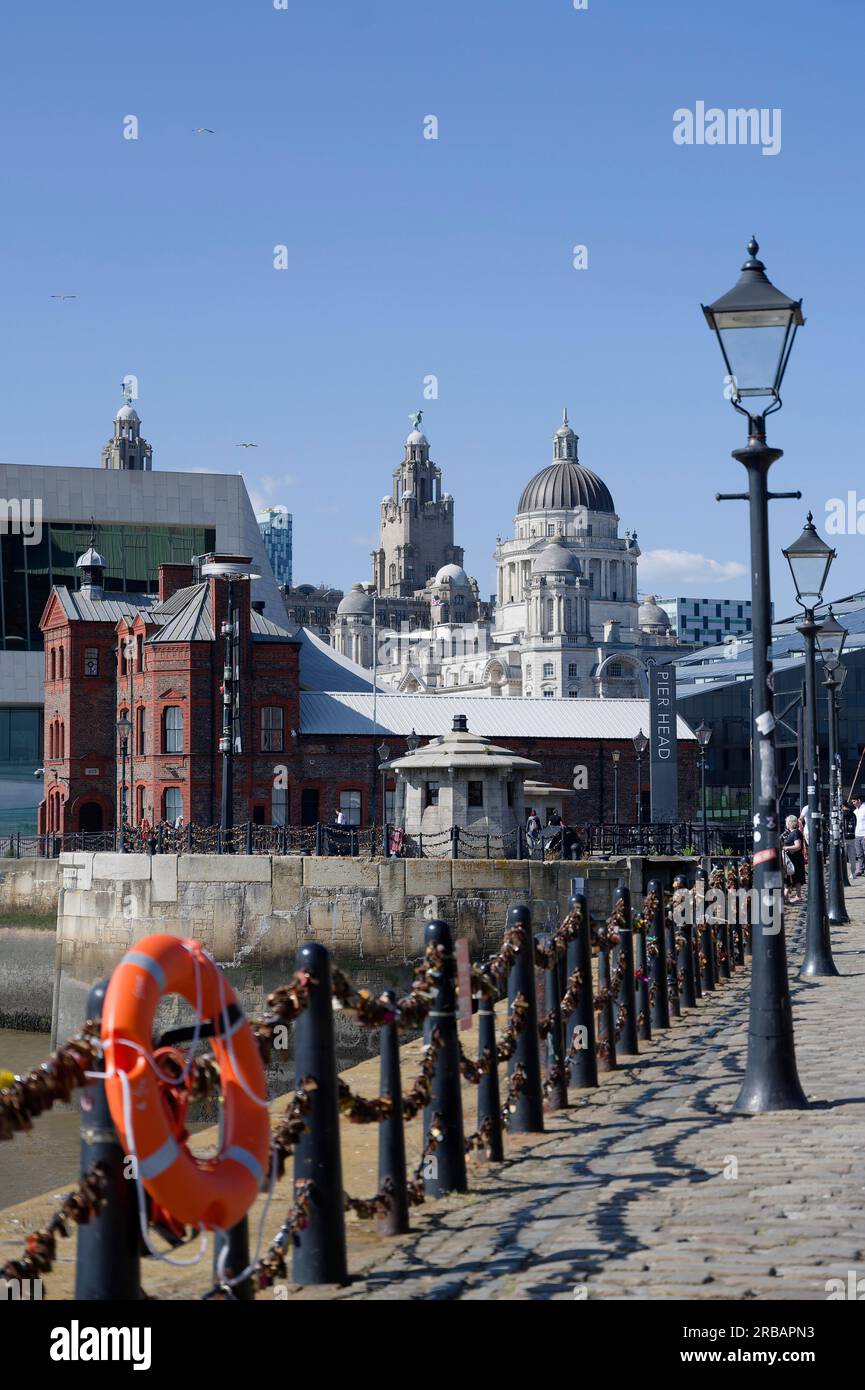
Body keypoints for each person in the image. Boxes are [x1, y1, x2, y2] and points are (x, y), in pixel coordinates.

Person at [781, 814, 806, 904]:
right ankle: (786, 896)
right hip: (791, 859)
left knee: (795, 878)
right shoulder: (792, 833)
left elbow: (798, 846)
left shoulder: (795, 833)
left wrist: (787, 848)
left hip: (795, 859)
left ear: (789, 823)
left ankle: (797, 896)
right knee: (790, 878)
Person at [842, 799, 858, 877]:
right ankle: (853, 873)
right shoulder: (853, 814)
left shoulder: (841, 814)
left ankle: (844, 873)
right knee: (852, 857)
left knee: (843, 856)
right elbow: (855, 824)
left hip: (843, 837)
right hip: (852, 836)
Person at [854, 796, 865, 877]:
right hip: (857, 835)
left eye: (854, 801)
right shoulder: (855, 811)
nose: (853, 803)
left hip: (864, 834)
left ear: (859, 801)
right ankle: (861, 870)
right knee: (859, 854)